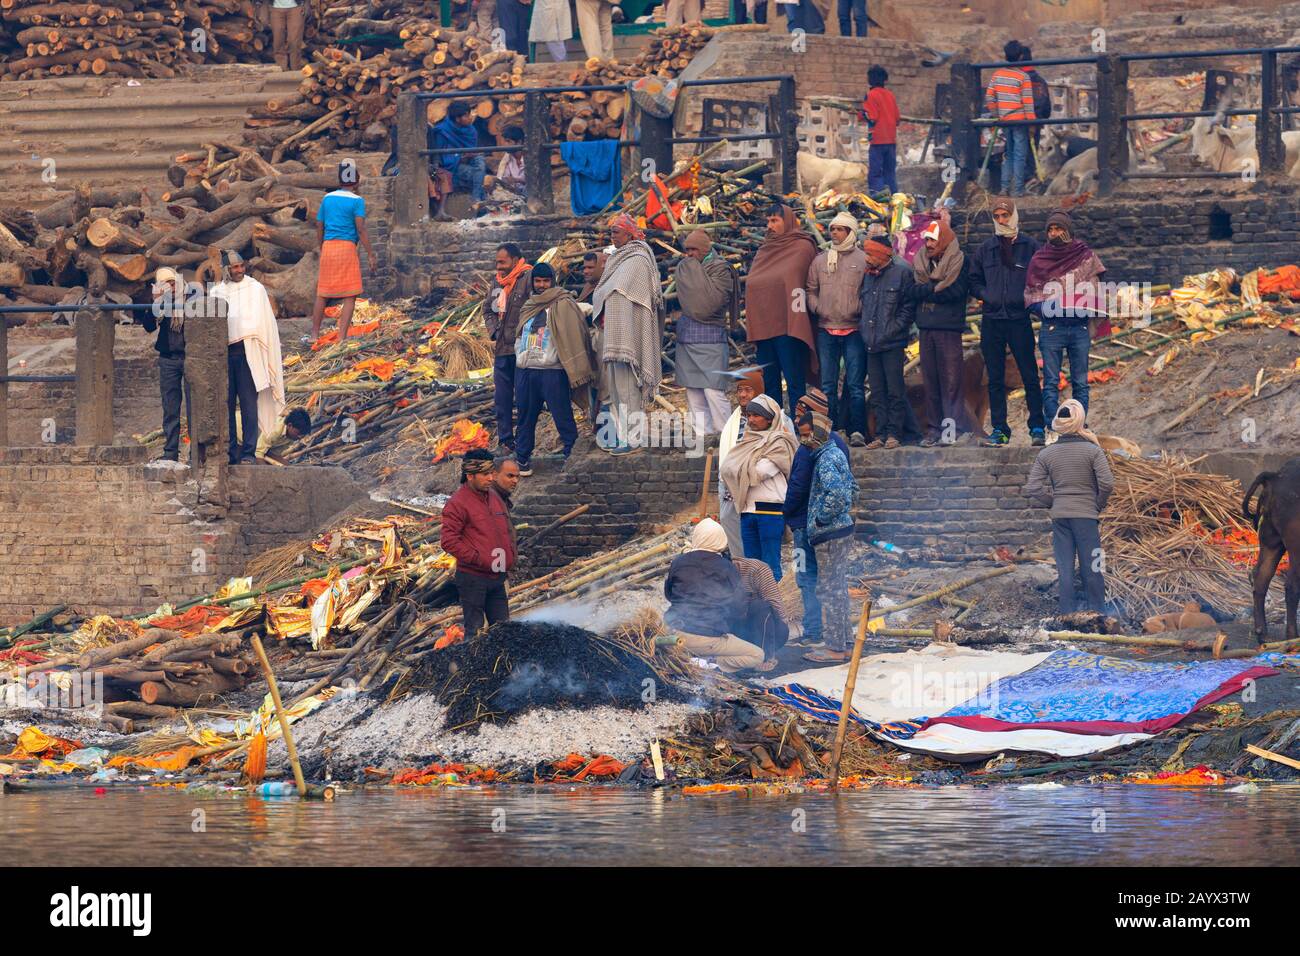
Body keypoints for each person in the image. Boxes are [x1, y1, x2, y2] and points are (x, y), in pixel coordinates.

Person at [1023, 399, 1114, 614]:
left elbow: (1033, 487)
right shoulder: (1093, 451)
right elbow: (1108, 483)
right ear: (1080, 420)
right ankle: (1098, 614)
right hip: (1086, 517)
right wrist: (1097, 505)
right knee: (1093, 567)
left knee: (1065, 569)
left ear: (1058, 423)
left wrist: (1054, 503)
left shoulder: (1046, 454)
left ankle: (1067, 616)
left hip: (1060, 518)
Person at [969, 197, 1045, 447]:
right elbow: (974, 280)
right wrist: (985, 295)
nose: (1001, 221)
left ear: (1013, 216)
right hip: (992, 320)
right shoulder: (986, 249)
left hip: (1019, 319)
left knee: (1029, 375)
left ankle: (1036, 427)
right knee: (995, 377)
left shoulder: (1030, 247)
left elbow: (1042, 279)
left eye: (1005, 215)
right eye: (997, 217)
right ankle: (1000, 429)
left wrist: (1027, 299)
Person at [1024, 211, 1107, 428]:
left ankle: (1078, 426)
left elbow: (1096, 288)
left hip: (1079, 328)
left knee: (1080, 382)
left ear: (1068, 230)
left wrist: (1082, 306)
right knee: (1051, 382)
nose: (1054, 233)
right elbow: (1031, 296)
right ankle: (1056, 427)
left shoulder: (1085, 256)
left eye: (1058, 228)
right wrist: (1052, 309)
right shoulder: (1040, 260)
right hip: (1053, 328)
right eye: (1050, 229)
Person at [513, 262, 595, 474]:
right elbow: (519, 334)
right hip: (526, 369)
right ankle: (522, 459)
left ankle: (571, 457)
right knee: (525, 417)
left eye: (545, 281)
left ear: (553, 281)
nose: (541, 285)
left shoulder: (563, 302)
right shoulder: (529, 305)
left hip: (552, 371)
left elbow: (577, 329)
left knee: (562, 416)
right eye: (537, 281)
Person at [590, 212, 662, 455]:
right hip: (613, 336)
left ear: (630, 234)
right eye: (611, 232)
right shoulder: (616, 259)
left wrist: (608, 294)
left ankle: (634, 438)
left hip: (630, 335)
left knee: (630, 389)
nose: (612, 236)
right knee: (617, 391)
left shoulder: (638, 258)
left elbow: (625, 293)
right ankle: (623, 438)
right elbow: (603, 291)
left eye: (616, 232)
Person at [783, 387, 848, 646]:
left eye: (801, 413)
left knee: (806, 578)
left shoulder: (813, 448)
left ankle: (815, 633)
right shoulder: (837, 444)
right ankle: (837, 638)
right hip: (825, 528)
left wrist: (788, 512)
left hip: (806, 527)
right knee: (832, 582)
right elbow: (851, 487)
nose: (797, 418)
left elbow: (799, 487)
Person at [663, 519, 766, 674]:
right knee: (757, 655)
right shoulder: (727, 567)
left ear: (697, 537)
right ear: (721, 540)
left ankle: (684, 656)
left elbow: (669, 594)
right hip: (708, 638)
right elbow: (738, 608)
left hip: (673, 634)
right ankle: (709, 663)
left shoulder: (679, 562)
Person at [745, 204, 819, 417]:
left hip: (789, 327)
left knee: (795, 381)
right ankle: (776, 427)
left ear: (787, 221)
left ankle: (799, 427)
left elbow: (798, 282)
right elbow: (753, 284)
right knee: (770, 384)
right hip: (764, 328)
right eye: (768, 221)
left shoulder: (802, 247)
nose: (770, 226)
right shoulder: (764, 250)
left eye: (775, 221)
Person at [797, 412, 859, 663]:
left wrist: (821, 519)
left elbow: (837, 494)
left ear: (818, 432)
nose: (804, 440)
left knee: (830, 591)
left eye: (806, 434)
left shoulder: (826, 460)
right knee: (838, 588)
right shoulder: (835, 455)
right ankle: (844, 644)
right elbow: (854, 489)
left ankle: (834, 648)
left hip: (829, 534)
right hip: (840, 531)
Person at [214, 252, 284, 465]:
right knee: (225, 406)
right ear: (226, 269)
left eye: (241, 266)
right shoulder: (217, 292)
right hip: (225, 355)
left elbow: (263, 322)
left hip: (248, 354)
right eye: (235, 267)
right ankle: (231, 453)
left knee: (248, 405)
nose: (240, 271)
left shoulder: (255, 289)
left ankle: (248, 453)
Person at [721, 394, 797, 581]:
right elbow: (726, 469)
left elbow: (760, 472)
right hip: (747, 510)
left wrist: (739, 470)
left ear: (770, 419)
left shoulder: (780, 442)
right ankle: (757, 607)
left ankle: (777, 608)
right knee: (751, 567)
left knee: (770, 566)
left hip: (770, 511)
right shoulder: (745, 442)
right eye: (750, 415)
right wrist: (743, 469)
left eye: (757, 416)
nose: (752, 420)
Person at [807, 210, 868, 445]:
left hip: (854, 330)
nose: (834, 233)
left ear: (850, 232)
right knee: (828, 385)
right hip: (826, 330)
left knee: (854, 384)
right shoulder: (821, 260)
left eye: (840, 229)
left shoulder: (862, 260)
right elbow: (810, 289)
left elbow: (869, 290)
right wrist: (817, 307)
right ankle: (830, 432)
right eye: (832, 229)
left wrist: (858, 308)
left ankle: (857, 431)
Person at [441, 449, 516, 637]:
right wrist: (478, 558)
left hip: (497, 577)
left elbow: (506, 530)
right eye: (485, 474)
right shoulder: (458, 503)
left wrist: (510, 558)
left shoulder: (495, 498)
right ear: (470, 476)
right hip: (473, 579)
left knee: (503, 630)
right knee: (474, 631)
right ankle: (470, 666)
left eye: (492, 473)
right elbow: (448, 541)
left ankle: (501, 666)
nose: (491, 478)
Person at [909, 219, 971, 446]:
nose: (928, 244)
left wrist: (926, 292)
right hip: (926, 328)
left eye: (933, 239)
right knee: (931, 381)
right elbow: (912, 291)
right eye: (926, 239)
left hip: (949, 329)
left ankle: (952, 430)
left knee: (951, 381)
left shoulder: (959, 261)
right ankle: (934, 430)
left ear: (943, 240)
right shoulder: (920, 263)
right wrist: (931, 290)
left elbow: (954, 292)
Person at [674, 229, 738, 436]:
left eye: (694, 250)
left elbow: (709, 304)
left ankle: (725, 434)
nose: (690, 254)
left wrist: (692, 275)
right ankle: (703, 436)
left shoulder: (720, 269)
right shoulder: (685, 267)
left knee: (713, 389)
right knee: (693, 390)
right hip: (687, 337)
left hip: (711, 337)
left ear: (704, 249)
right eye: (687, 250)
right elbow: (689, 299)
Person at [859, 236, 915, 449]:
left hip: (892, 342)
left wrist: (893, 329)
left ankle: (895, 433)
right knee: (877, 391)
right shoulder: (868, 276)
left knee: (894, 390)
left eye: (871, 253)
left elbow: (908, 307)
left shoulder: (902, 273)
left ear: (882, 254)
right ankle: (880, 434)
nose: (867, 258)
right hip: (871, 343)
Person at [311, 163, 376, 343]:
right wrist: (370, 253)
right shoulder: (357, 201)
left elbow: (319, 225)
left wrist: (321, 245)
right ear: (356, 182)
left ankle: (314, 335)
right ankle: (341, 337)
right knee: (350, 294)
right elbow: (361, 229)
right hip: (347, 248)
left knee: (322, 293)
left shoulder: (327, 198)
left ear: (340, 180)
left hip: (329, 247)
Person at [484, 243, 532, 454]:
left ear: (514, 260)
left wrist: (526, 338)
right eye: (496, 262)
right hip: (502, 350)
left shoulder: (529, 278)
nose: (499, 266)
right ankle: (505, 441)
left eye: (502, 262)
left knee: (524, 398)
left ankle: (523, 443)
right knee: (502, 399)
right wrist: (494, 331)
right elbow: (489, 310)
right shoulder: (497, 282)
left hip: (522, 351)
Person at [140, 267, 190, 463]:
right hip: (168, 359)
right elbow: (149, 326)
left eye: (172, 282)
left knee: (195, 407)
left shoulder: (192, 296)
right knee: (170, 408)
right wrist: (157, 302)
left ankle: (197, 453)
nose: (171, 287)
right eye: (166, 283)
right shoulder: (161, 302)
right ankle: (170, 452)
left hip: (190, 357)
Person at [717, 366, 766, 557]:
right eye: (740, 390)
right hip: (730, 484)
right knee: (730, 522)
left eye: (748, 390)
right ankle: (741, 566)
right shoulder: (734, 420)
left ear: (758, 391)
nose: (743, 395)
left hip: (758, 484)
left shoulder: (774, 418)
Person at [985, 40, 1036, 197]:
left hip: (1005, 120)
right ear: (1021, 57)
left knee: (1009, 154)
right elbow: (1028, 103)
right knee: (1020, 155)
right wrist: (1033, 124)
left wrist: (997, 115)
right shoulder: (1023, 77)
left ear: (1005, 56)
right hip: (1020, 121)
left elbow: (989, 97)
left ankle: (1004, 188)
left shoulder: (997, 75)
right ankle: (1018, 189)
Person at [431, 101, 486, 214]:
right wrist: (459, 157)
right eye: (466, 115)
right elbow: (440, 158)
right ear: (457, 119)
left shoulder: (471, 130)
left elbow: (471, 149)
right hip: (453, 167)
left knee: (480, 161)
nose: (470, 117)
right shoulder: (442, 131)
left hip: (468, 161)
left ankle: (476, 199)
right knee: (477, 175)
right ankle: (478, 202)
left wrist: (471, 155)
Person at [862, 65, 899, 194]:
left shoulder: (871, 95)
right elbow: (897, 119)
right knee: (890, 173)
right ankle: (894, 199)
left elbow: (871, 117)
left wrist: (860, 113)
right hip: (891, 141)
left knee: (876, 174)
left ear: (870, 79)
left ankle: (878, 202)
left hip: (877, 141)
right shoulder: (891, 95)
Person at [1020, 45, 1052, 153]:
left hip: (1016, 121)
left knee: (1015, 154)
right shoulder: (1040, 81)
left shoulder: (1015, 80)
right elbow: (1047, 108)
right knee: (1032, 154)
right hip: (1036, 122)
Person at [266, 0, 305, 71]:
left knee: (295, 40)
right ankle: (282, 69)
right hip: (276, 8)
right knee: (278, 39)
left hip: (295, 8)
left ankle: (295, 69)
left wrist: (305, 5)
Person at [495, 127, 526, 197]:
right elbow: (501, 178)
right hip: (514, 193)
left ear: (519, 142)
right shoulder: (507, 158)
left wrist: (516, 180)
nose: (505, 145)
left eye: (508, 141)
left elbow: (534, 181)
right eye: (505, 141)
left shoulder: (530, 157)